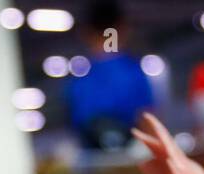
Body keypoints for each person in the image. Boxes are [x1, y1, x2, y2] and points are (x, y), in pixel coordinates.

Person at [66, 1, 156, 150]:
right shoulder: (134, 73)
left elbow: (74, 126)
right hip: (131, 162)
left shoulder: (77, 81)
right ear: (123, 28)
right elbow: (148, 121)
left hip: (94, 165)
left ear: (86, 33)